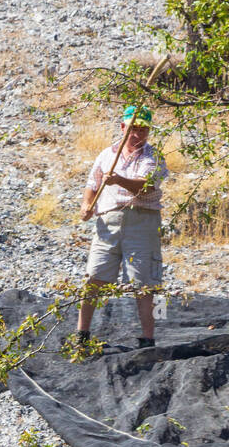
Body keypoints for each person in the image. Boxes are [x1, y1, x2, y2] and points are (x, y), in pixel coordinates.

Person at [69, 105, 168, 353]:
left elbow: (145, 187)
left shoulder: (153, 157)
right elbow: (93, 183)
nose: (138, 134)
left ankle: (148, 340)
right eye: (134, 129)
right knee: (94, 277)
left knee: (145, 283)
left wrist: (119, 180)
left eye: (143, 129)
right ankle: (81, 335)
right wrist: (86, 205)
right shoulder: (106, 154)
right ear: (123, 128)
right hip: (107, 223)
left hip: (142, 222)